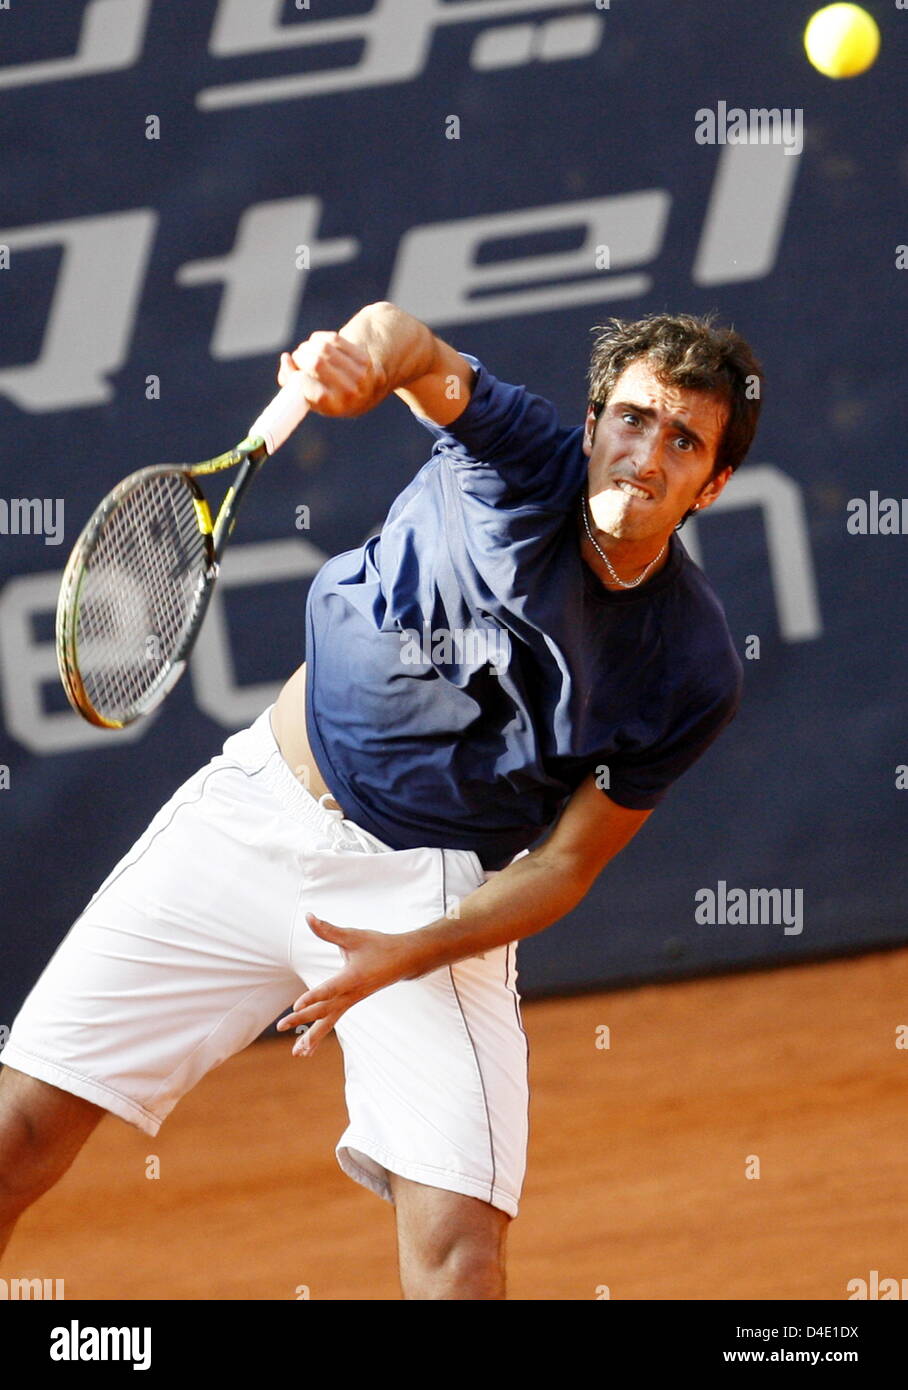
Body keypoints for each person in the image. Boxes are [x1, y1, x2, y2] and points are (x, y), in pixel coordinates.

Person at [0, 300, 763, 1300]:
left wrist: (413, 948)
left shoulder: (691, 664)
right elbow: (405, 340)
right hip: (251, 812)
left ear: (711, 483)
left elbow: (567, 864)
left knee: (457, 1257)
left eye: (681, 440)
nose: (644, 454)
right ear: (588, 428)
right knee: (16, 1135)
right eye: (629, 419)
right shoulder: (516, 452)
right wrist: (358, 362)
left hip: (428, 895)